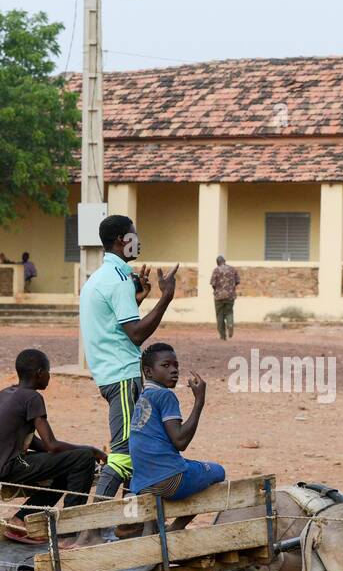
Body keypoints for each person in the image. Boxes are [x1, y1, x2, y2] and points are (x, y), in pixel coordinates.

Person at [78, 214, 178, 507]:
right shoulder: (120, 279)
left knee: (134, 451)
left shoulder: (101, 277)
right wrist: (165, 298)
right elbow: (135, 335)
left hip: (110, 373)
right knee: (123, 454)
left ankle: (126, 523)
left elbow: (112, 324)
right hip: (122, 376)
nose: (139, 241)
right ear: (123, 240)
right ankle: (93, 527)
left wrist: (138, 301)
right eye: (135, 235)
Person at [0, 348, 106, 543]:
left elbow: (34, 441)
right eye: (48, 372)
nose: (49, 377)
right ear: (39, 374)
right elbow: (51, 445)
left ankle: (20, 520)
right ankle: (70, 531)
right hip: (8, 466)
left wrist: (73, 452)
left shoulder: (6, 393)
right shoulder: (33, 398)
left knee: (66, 467)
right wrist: (90, 450)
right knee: (84, 459)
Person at [129, 342, 225, 501]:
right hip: (168, 481)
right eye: (166, 365)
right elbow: (180, 442)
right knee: (218, 472)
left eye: (176, 366)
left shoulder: (145, 396)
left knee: (192, 466)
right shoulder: (165, 396)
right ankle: (177, 526)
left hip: (141, 484)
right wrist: (199, 401)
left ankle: (151, 526)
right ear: (148, 372)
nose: (174, 370)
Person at [210, 255, 240, 340]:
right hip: (230, 296)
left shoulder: (216, 270)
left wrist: (217, 290)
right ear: (224, 261)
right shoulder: (232, 269)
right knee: (229, 312)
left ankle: (223, 336)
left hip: (218, 297)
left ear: (217, 262)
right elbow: (237, 281)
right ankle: (230, 325)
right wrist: (231, 288)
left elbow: (213, 284)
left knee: (220, 315)